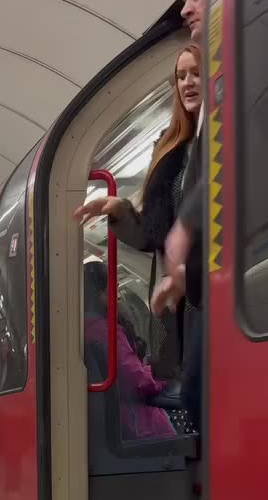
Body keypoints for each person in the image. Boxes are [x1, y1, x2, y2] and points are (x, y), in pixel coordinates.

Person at [75, 44, 202, 377]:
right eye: (181, 76)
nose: (188, 83)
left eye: (197, 73)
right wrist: (119, 209)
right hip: (177, 306)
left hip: (211, 294)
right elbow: (152, 235)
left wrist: (189, 272)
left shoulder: (225, 142)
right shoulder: (170, 149)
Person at [153, 0, 218, 500]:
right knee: (199, 398)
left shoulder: (248, 73)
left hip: (222, 293)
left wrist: (185, 233)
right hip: (197, 298)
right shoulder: (183, 137)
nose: (185, 7)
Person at [83, 260, 175, 442]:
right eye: (112, 286)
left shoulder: (85, 329)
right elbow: (138, 382)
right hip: (139, 425)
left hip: (118, 421)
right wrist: (163, 372)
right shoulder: (107, 332)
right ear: (98, 293)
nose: (117, 292)